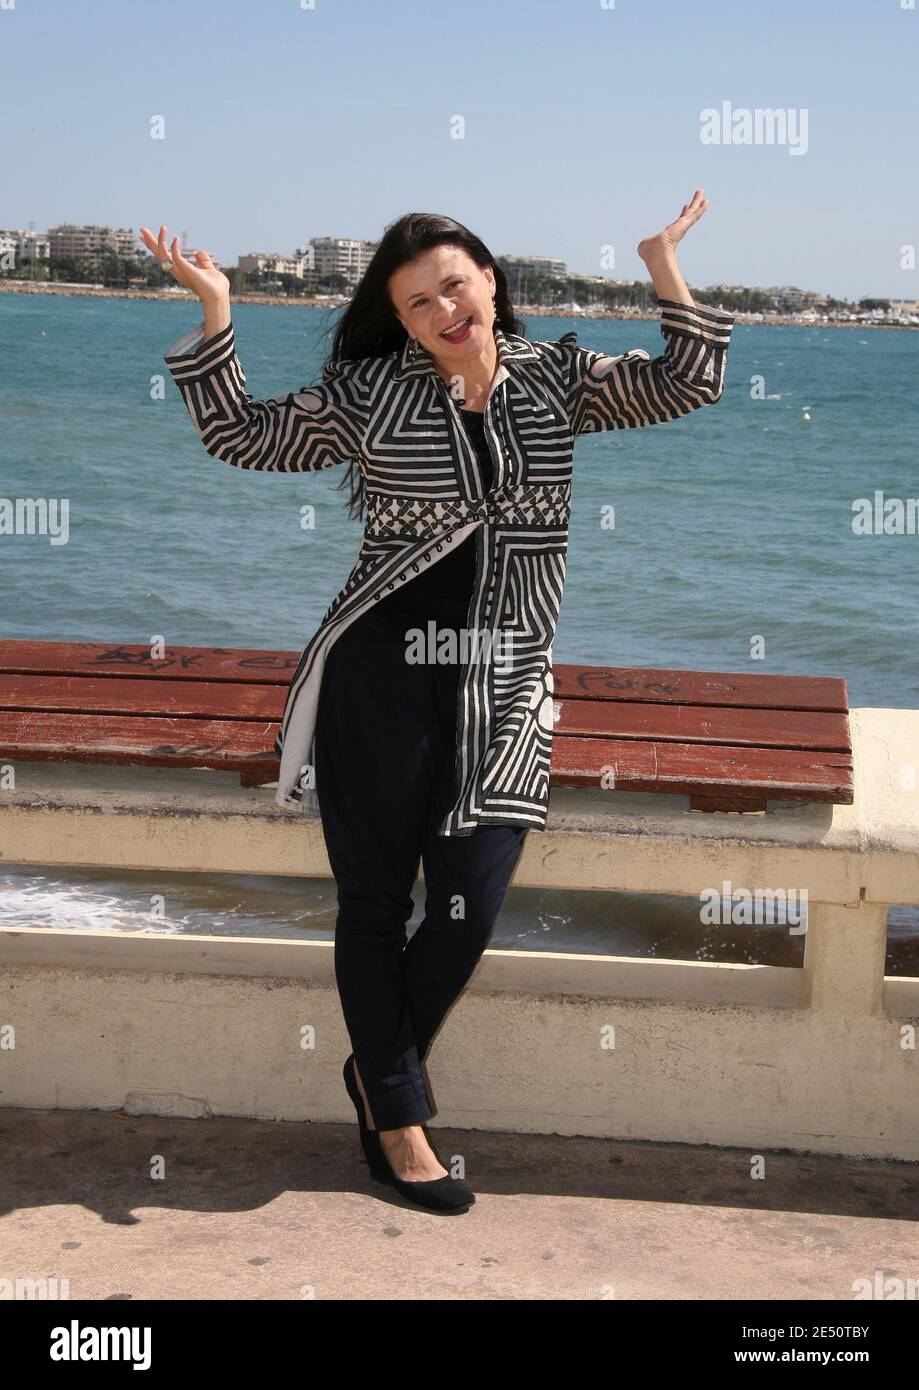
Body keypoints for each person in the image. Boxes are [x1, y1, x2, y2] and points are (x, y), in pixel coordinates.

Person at [140, 197, 734, 1214]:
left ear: (490, 281)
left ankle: (378, 1069)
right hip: (381, 669)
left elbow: (689, 380)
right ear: (403, 321)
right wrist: (215, 310)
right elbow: (241, 437)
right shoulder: (370, 392)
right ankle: (401, 1124)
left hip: (504, 678)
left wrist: (661, 266)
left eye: (453, 284)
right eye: (417, 302)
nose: (442, 309)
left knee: (471, 897)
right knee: (374, 903)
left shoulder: (561, 380)